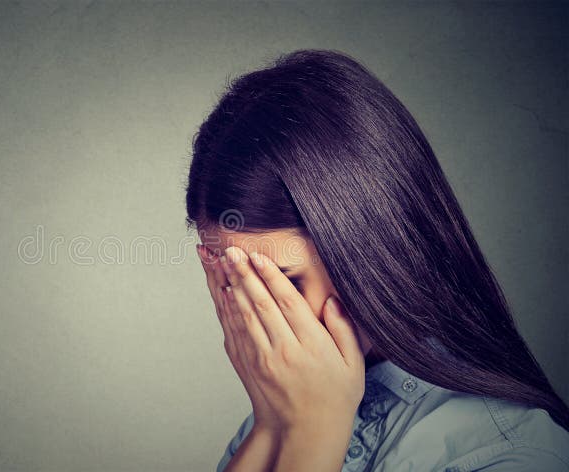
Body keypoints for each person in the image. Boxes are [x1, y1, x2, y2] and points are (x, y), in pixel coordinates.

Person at [185, 49, 569, 471]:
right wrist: (273, 425)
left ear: (368, 254)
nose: (256, 318)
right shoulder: (273, 421)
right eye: (233, 283)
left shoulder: (510, 456)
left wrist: (314, 431)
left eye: (284, 283)